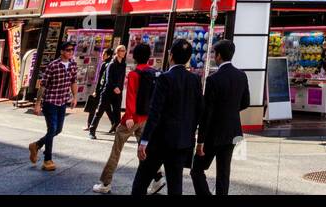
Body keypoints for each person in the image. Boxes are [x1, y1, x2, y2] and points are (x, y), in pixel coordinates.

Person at [133, 39, 201, 195]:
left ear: (171, 56)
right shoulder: (195, 80)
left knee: (141, 183)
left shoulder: (165, 78)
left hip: (159, 141)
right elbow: (199, 110)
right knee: (175, 185)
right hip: (182, 142)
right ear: (188, 58)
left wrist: (144, 140)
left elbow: (155, 111)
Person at [92, 42, 156, 194]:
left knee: (116, 150)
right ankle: (157, 176)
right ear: (148, 57)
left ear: (134, 56)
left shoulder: (134, 74)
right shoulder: (153, 72)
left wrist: (128, 116)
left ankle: (105, 182)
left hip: (132, 118)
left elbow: (131, 97)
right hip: (145, 118)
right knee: (144, 149)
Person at [191, 39, 250, 196]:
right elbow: (246, 102)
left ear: (218, 56)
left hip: (213, 133)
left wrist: (200, 140)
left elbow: (207, 112)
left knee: (196, 169)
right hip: (233, 131)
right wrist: (230, 111)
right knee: (223, 173)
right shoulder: (242, 76)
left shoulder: (213, 79)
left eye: (214, 54)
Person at [29, 42, 77, 173]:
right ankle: (47, 160)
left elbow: (73, 81)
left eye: (72, 50)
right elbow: (43, 85)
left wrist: (75, 97)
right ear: (61, 51)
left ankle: (36, 145)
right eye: (68, 50)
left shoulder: (73, 64)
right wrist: (38, 103)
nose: (70, 52)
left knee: (58, 130)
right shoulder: (53, 65)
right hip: (50, 102)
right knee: (52, 130)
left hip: (62, 102)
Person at [88, 45, 126, 138]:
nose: (124, 52)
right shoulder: (111, 64)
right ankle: (92, 131)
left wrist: (120, 88)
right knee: (99, 112)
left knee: (117, 113)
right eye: (122, 50)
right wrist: (114, 87)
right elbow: (108, 79)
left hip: (118, 93)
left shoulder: (123, 64)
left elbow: (122, 78)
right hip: (107, 92)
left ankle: (117, 129)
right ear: (117, 52)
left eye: (125, 51)